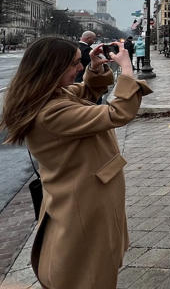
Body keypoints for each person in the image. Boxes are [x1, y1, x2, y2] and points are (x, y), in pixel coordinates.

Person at [0, 37, 151, 289]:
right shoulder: (51, 112)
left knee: (96, 262)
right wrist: (127, 69)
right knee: (89, 270)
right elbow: (117, 112)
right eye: (73, 64)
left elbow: (87, 92)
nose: (79, 68)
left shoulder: (52, 97)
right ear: (51, 69)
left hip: (87, 194)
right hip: (83, 201)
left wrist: (94, 67)